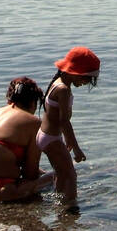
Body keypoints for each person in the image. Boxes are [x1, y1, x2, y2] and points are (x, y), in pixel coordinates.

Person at [37, 47, 100, 213]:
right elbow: (64, 122)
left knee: (61, 173)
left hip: (47, 136)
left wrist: (66, 141)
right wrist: (76, 148)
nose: (87, 82)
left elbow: (56, 118)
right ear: (74, 72)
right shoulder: (63, 90)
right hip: (52, 138)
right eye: (87, 78)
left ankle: (60, 204)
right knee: (71, 176)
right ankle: (70, 210)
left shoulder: (59, 83)